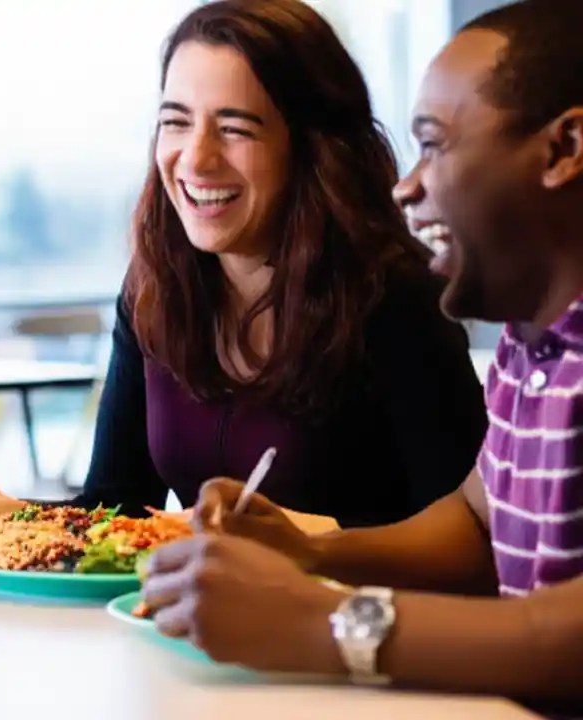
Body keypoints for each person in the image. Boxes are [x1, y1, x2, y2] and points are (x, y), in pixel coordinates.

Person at [0, 0, 487, 549]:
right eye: (176, 122)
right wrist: (14, 520)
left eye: (235, 128)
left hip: (347, 635)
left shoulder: (394, 296)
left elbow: (467, 541)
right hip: (193, 635)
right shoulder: (153, 289)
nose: (196, 157)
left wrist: (312, 539)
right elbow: (122, 506)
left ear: (312, 149)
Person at [141, 0, 583, 711]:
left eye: (435, 145)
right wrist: (303, 553)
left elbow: (566, 635)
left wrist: (318, 620)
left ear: (564, 150)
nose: (407, 186)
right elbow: (477, 521)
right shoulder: (531, 346)